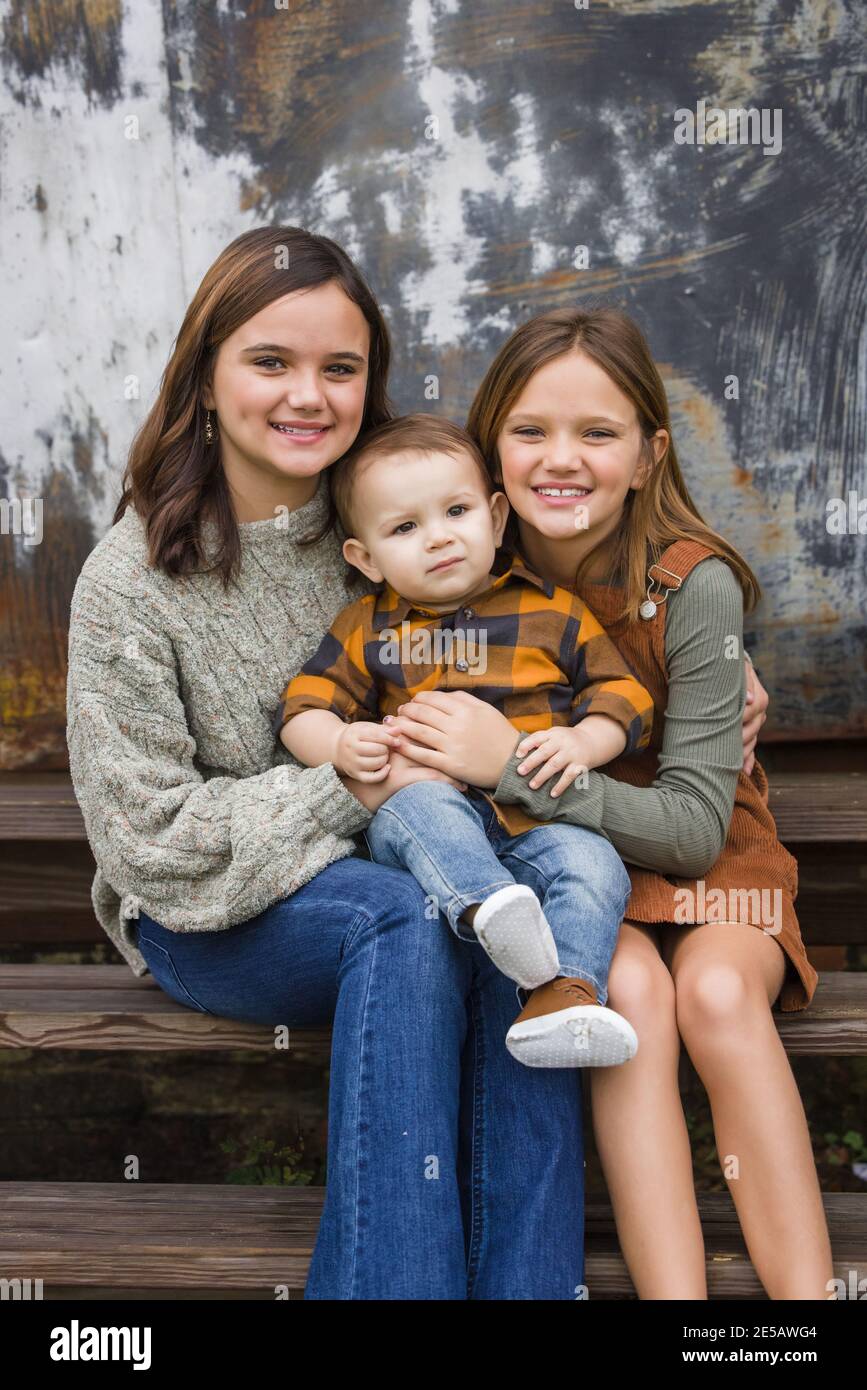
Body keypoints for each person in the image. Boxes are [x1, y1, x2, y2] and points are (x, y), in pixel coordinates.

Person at [66, 225, 591, 1300]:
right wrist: (345, 781)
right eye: (271, 362)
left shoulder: (390, 511)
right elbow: (147, 841)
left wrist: (687, 670)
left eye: (339, 369)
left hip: (418, 866)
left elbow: (547, 601)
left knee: (513, 926)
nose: (309, 395)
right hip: (212, 913)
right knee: (404, 917)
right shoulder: (132, 581)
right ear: (204, 378)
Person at [380, 306, 834, 1299]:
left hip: (711, 858)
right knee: (623, 994)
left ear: (648, 453)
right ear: (489, 450)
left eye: (599, 433)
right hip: (571, 867)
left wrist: (507, 761)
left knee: (715, 994)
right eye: (531, 431)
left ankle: (805, 1308)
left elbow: (693, 828)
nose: (563, 460)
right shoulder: (460, 571)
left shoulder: (691, 586)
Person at [275, 412, 654, 1068]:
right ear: (364, 557)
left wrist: (585, 744)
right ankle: (489, 909)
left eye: (456, 511)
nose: (438, 538)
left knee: (594, 863)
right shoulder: (368, 626)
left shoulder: (553, 611)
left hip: (534, 822)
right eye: (404, 528)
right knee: (416, 804)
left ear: (496, 516)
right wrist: (338, 744)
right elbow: (302, 707)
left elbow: (623, 697)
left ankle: (562, 995)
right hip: (428, 829)